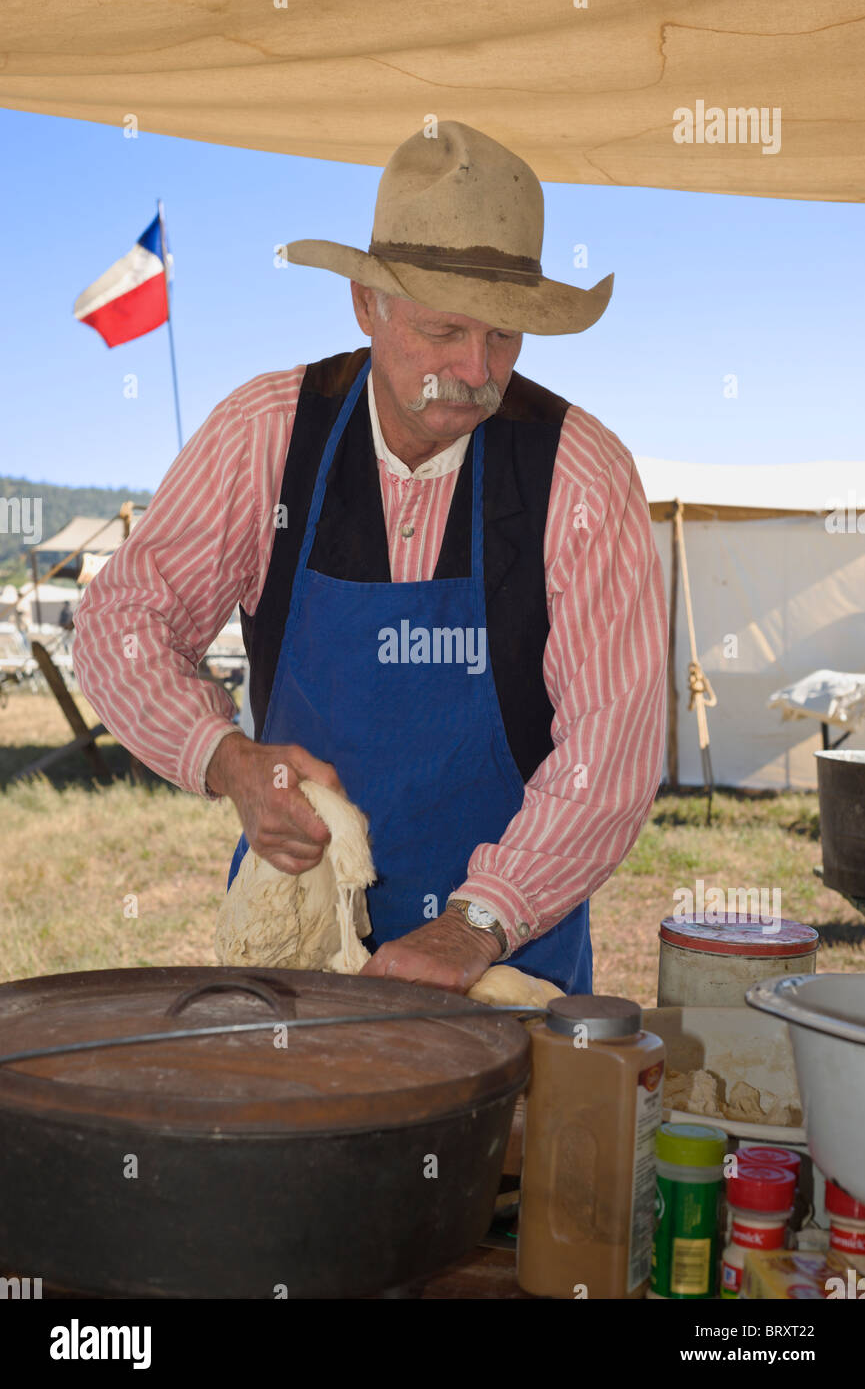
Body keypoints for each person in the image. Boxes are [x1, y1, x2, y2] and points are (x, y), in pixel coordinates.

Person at [74, 122, 668, 996]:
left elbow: (612, 743)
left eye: (503, 336)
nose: (474, 370)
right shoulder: (267, 434)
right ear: (365, 304)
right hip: (299, 956)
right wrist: (227, 759)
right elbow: (122, 624)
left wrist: (473, 926)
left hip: (503, 957)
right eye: (443, 331)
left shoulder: (579, 473)